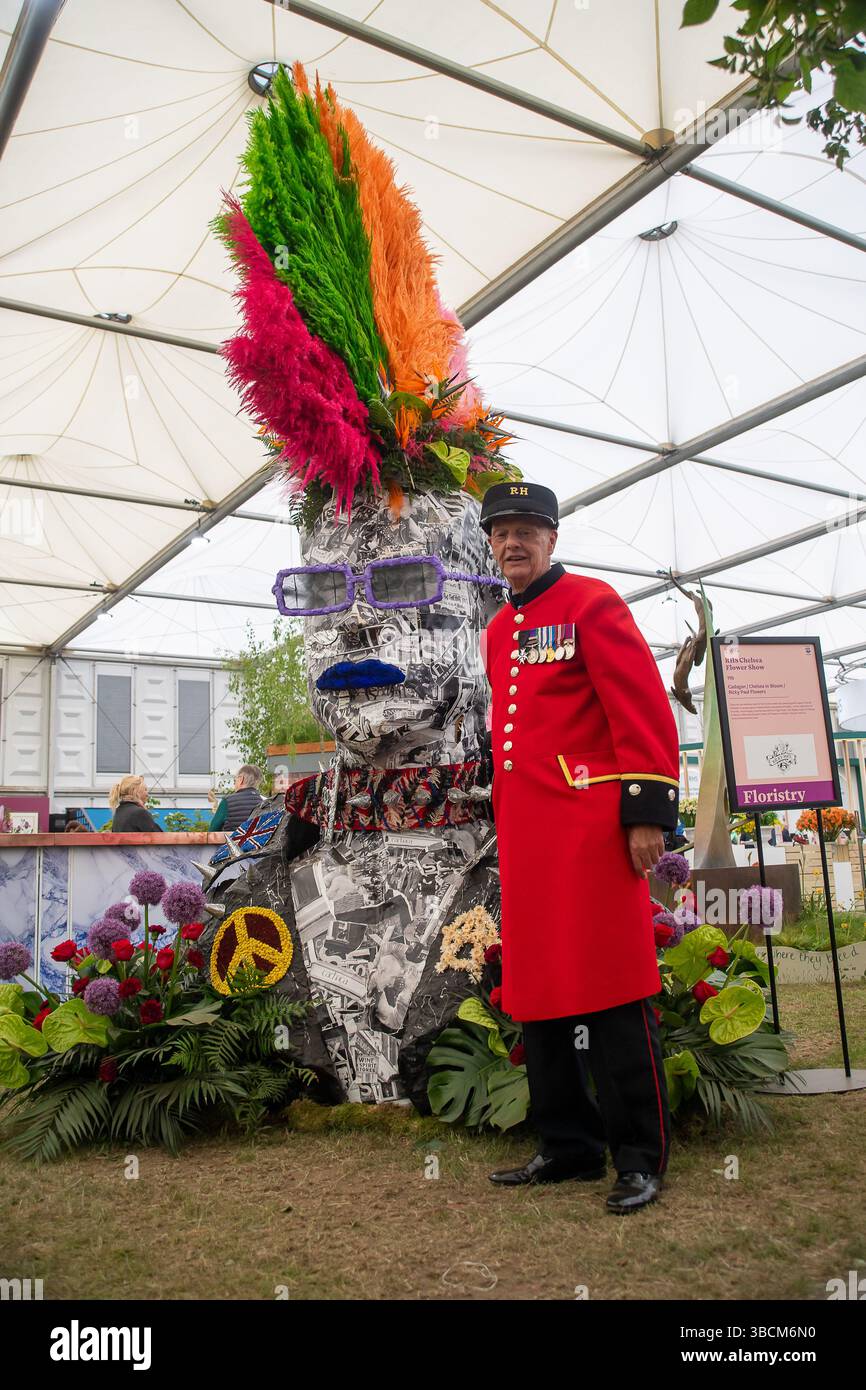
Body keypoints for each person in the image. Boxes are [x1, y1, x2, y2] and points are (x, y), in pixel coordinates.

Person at [479, 481, 680, 1214]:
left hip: (592, 833)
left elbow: (642, 709)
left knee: (614, 988)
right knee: (540, 996)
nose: (513, 542)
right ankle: (567, 1146)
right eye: (501, 531)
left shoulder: (593, 605)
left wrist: (645, 812)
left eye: (528, 528)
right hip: (529, 838)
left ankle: (639, 1158)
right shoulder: (499, 628)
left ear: (553, 537)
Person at [209, 765, 264, 832]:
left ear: (241, 779)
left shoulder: (227, 801)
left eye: (235, 779)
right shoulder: (265, 802)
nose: (234, 783)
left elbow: (212, 831)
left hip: (233, 842)